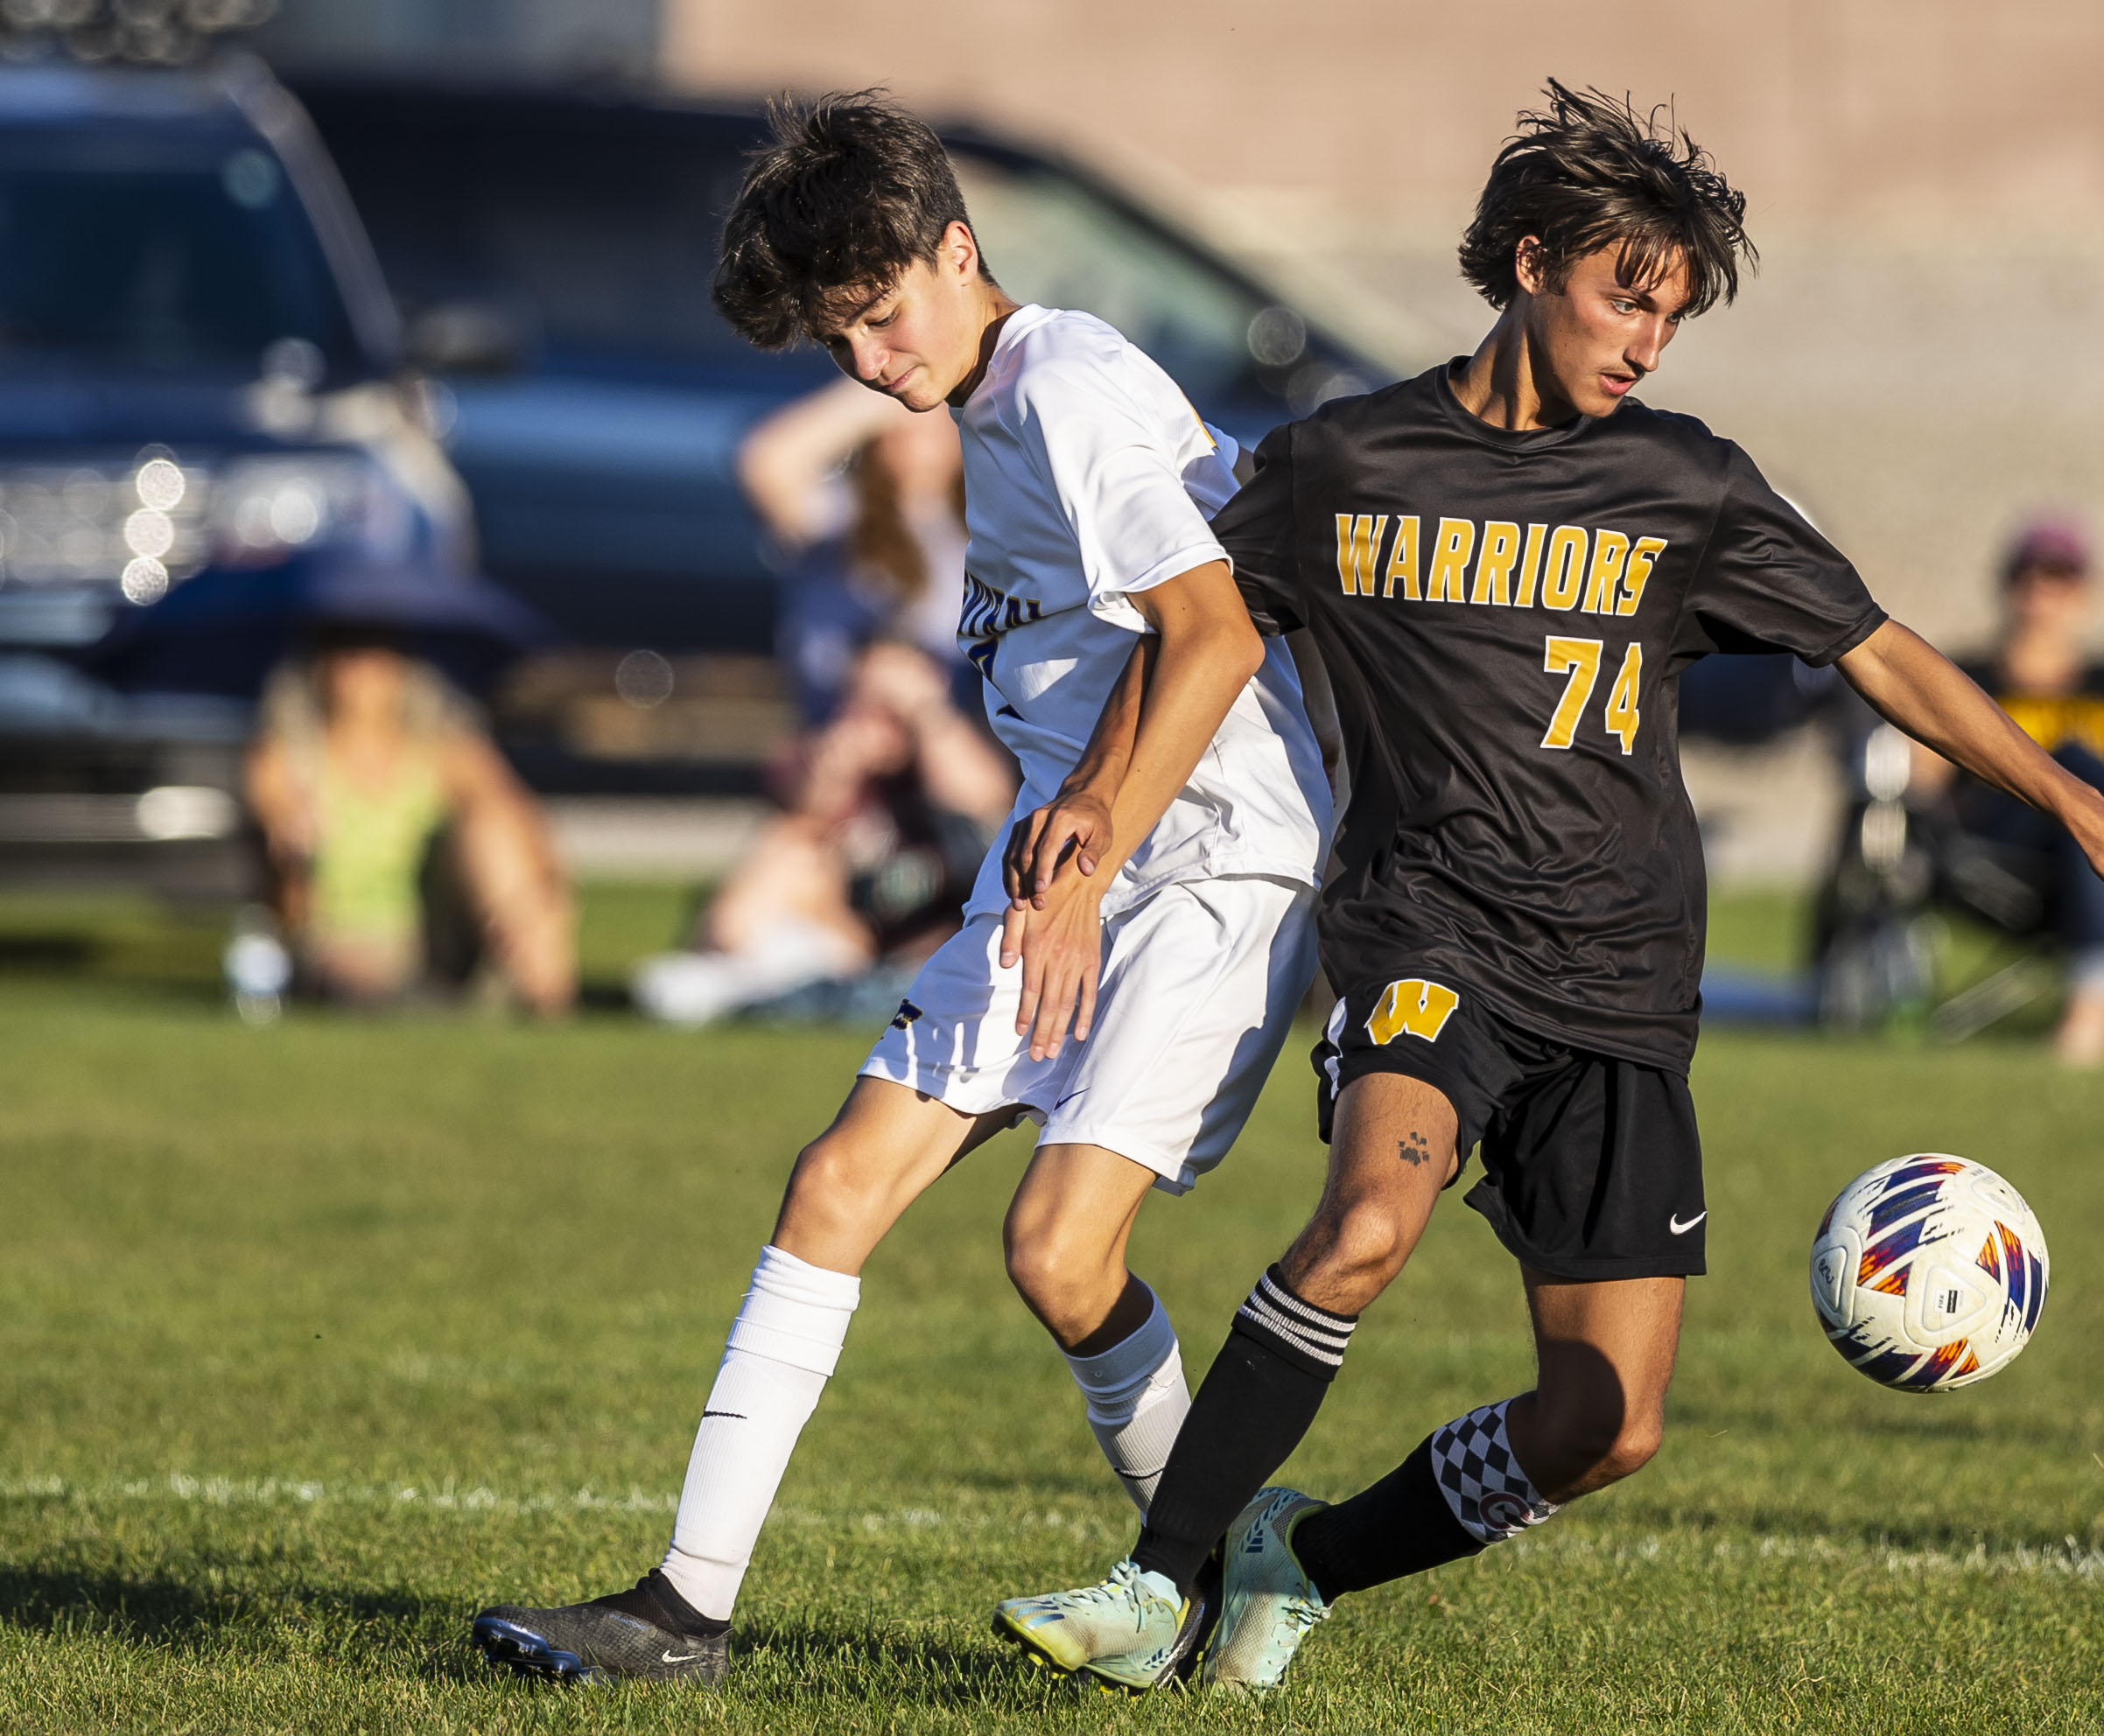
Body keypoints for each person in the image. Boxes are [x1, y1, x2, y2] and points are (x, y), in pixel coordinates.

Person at [991, 81, 2104, 1694]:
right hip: (1427, 937)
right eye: (1629, 298)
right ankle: (1158, 1581)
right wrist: (1093, 810)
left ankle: (1310, 1554)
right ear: (1532, 260)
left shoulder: (1686, 484)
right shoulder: (1341, 461)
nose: (1646, 342)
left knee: (1605, 1421)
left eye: (1672, 316)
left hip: (1624, 976)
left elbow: (1885, 651)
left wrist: (2078, 801)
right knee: (1363, 1224)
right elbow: (1195, 633)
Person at [467, 89, 1335, 1685]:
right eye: (835, 337)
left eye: (878, 314)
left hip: (1208, 861)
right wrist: (1060, 842)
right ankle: (684, 1614)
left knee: (1059, 1252)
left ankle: (1218, 1563)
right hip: (1073, 851)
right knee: (834, 1184)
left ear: (959, 247)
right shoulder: (989, 401)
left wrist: (1089, 860)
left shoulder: (1068, 389)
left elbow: (1216, 633)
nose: (868, 360)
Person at [1905, 514, 2104, 1065]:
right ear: (2006, 586)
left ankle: (2094, 1009)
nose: (2042, 593)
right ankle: (2096, 1006)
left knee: (2099, 808)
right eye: (2028, 577)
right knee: (2076, 771)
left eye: (2061, 578)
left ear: (2086, 593)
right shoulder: (1969, 679)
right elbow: (1918, 779)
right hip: (2001, 843)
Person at [633, 637, 1015, 1026]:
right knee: (791, 844)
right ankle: (748, 984)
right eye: (862, 699)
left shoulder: (960, 750)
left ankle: (742, 990)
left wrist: (925, 713)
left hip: (938, 943)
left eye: (889, 704)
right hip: (851, 936)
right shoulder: (818, 753)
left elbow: (983, 804)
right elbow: (799, 821)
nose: (874, 717)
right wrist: (838, 771)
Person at [242, 630, 574, 1016]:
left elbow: (516, 819)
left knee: (492, 825)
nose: (360, 669)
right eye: (346, 651)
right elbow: (282, 898)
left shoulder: (444, 750)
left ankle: (546, 996)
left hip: (436, 935)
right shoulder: (290, 758)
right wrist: (292, 847)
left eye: (376, 652)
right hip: (339, 937)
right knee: (352, 971)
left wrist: (540, 904)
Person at [740, 374, 973, 726]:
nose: (917, 431)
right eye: (902, 422)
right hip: (841, 733)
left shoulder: (985, 528)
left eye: (940, 415)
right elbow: (766, 462)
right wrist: (891, 386)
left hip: (953, 738)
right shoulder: (840, 516)